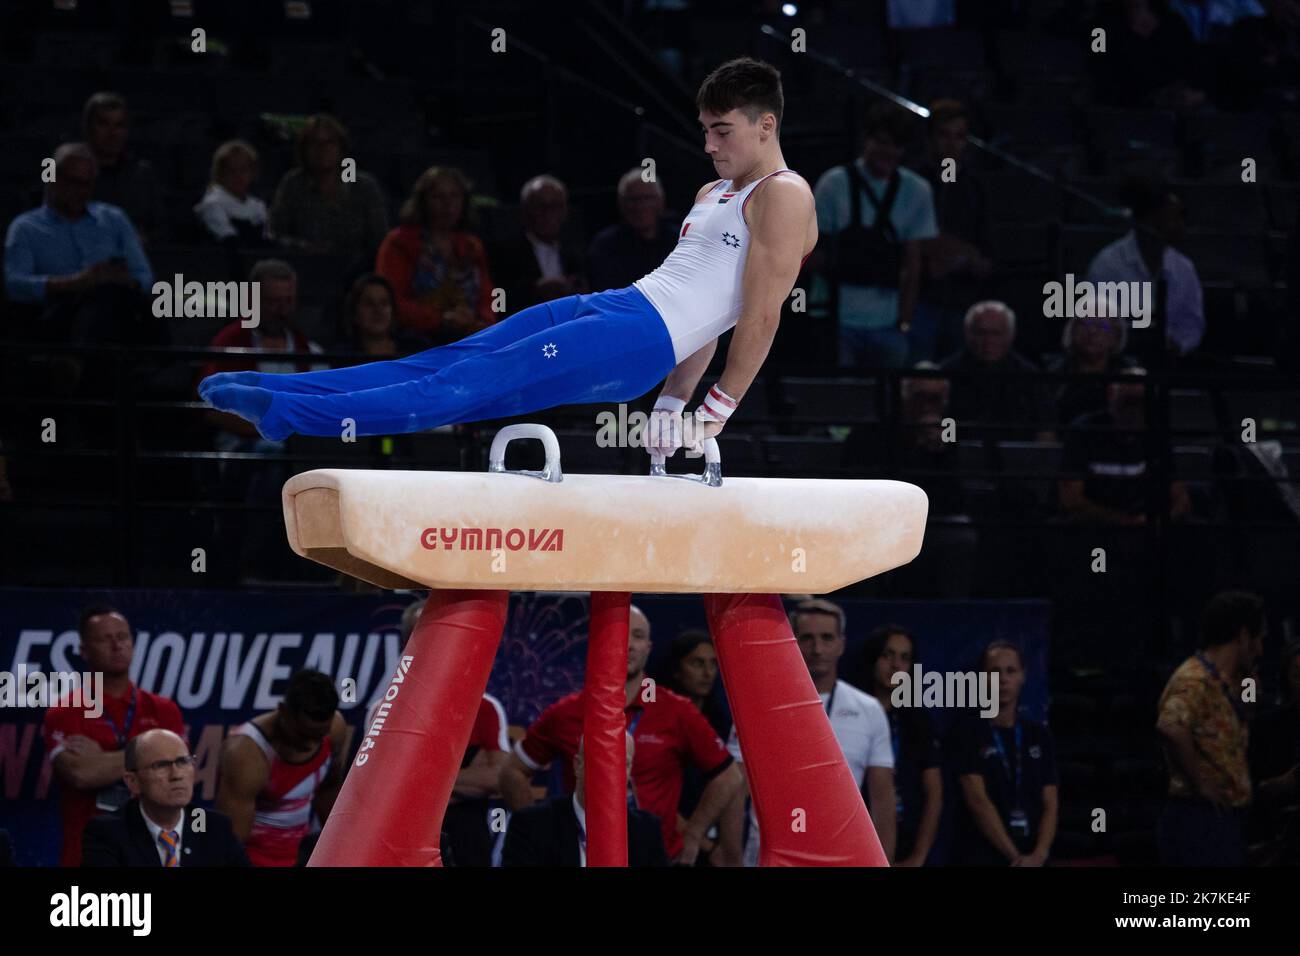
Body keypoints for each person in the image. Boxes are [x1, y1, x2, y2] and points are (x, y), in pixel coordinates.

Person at [197, 57, 817, 457]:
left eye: (722, 131)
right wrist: (670, 403)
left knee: (468, 386)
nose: (707, 144)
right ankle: (272, 389)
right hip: (617, 307)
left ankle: (290, 412)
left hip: (637, 342)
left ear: (766, 125)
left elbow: (757, 316)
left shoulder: (784, 196)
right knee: (446, 360)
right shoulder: (716, 191)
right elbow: (708, 312)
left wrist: (714, 411)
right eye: (704, 129)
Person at [498, 605, 742, 863]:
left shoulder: (675, 710)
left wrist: (694, 835)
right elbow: (511, 772)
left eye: (637, 635)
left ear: (649, 646)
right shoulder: (566, 712)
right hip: (581, 853)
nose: (628, 644)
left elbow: (729, 776)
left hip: (658, 856)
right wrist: (542, 830)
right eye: (621, 634)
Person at [722, 599, 896, 866]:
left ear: (841, 643)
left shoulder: (868, 710)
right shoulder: (756, 707)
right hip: (771, 854)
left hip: (845, 855)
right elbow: (735, 790)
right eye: (807, 638)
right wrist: (731, 857)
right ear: (791, 641)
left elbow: (882, 799)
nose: (817, 649)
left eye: (827, 638)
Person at [362, 597, 512, 867]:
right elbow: (380, 789)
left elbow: (498, 778)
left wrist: (418, 779)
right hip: (402, 835)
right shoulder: (382, 710)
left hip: (466, 836)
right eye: (422, 636)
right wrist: (467, 773)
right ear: (408, 643)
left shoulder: (486, 708)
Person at [42, 604, 186, 867]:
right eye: (104, 639)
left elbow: (175, 781)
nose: (117, 645)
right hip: (87, 855)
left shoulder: (164, 710)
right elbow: (81, 775)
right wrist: (153, 758)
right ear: (84, 651)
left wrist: (103, 759)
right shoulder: (65, 713)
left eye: (122, 637)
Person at [813, 101, 938, 368]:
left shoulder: (917, 190)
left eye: (896, 145)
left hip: (887, 323)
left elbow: (912, 263)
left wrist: (903, 322)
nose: (888, 152)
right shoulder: (833, 184)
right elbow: (812, 251)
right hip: (838, 320)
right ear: (866, 140)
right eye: (881, 142)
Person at [4, 142, 153, 345]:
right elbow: (14, 284)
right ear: (53, 179)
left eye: (87, 183)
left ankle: (76, 363)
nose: (80, 191)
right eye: (72, 182)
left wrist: (124, 280)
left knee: (108, 297)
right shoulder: (26, 227)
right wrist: (71, 283)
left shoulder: (114, 219)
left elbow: (144, 277)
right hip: (54, 320)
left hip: (117, 318)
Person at [1156, 590, 1265, 866]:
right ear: (1243, 636)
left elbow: (1244, 719)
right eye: (1258, 639)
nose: (1261, 649)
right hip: (1198, 819)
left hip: (1225, 817)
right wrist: (1201, 784)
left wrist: (1249, 686)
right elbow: (1170, 726)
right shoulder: (1196, 680)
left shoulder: (1225, 681)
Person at [216, 669, 347, 866]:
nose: (312, 745)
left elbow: (329, 790)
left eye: (318, 737)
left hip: (303, 855)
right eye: (304, 736)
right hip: (254, 860)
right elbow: (232, 844)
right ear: (283, 711)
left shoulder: (335, 729)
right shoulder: (246, 753)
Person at [951, 640, 1059, 866]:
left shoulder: (1039, 736)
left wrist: (1039, 855)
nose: (1003, 679)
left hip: (1034, 856)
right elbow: (977, 799)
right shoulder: (968, 732)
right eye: (994, 671)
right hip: (985, 856)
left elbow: (1050, 802)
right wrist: (1015, 858)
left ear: (1023, 676)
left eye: (1011, 671)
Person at [81, 729, 249, 867]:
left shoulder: (213, 825)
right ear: (133, 782)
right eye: (161, 766)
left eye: (183, 762)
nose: (176, 775)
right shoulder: (109, 832)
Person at [502, 733, 669, 866]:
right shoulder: (532, 824)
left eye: (623, 763)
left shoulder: (646, 829)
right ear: (577, 765)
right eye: (602, 760)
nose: (612, 772)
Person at [1085, 175, 1204, 359]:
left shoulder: (1184, 268)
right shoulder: (1107, 264)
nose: (1180, 226)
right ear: (1148, 221)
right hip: (1118, 364)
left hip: (1172, 366)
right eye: (1171, 219)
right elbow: (1099, 325)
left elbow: (1192, 324)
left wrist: (1179, 345)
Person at [910, 99, 993, 364]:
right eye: (944, 135)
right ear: (931, 138)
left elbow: (987, 253)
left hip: (961, 303)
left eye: (959, 136)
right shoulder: (912, 182)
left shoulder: (976, 188)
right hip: (918, 303)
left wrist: (966, 258)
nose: (951, 144)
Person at [374, 165, 498, 341]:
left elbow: (488, 297)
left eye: (455, 196)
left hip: (470, 336)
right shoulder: (399, 242)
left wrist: (483, 322)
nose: (448, 204)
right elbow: (392, 301)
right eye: (438, 196)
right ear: (422, 201)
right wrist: (441, 320)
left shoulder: (472, 245)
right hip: (414, 340)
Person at [1058, 367, 1193, 525]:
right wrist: (1124, 521)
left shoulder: (1155, 434)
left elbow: (1180, 498)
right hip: (1095, 528)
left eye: (1142, 404)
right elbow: (1071, 501)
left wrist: (1156, 522)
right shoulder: (1084, 432)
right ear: (1110, 394)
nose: (1134, 413)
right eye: (1127, 402)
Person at [858, 624, 943, 866]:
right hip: (858, 844)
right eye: (888, 655)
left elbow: (934, 793)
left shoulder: (918, 721)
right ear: (873, 658)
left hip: (909, 849)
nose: (896, 665)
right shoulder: (852, 713)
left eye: (904, 658)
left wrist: (918, 856)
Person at [269, 114, 389, 262]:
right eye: (314, 143)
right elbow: (275, 234)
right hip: (304, 265)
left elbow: (380, 239)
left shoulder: (363, 185)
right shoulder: (292, 183)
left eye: (330, 142)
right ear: (304, 149)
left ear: (341, 148)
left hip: (355, 268)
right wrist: (303, 246)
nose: (322, 149)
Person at [938, 300, 1054, 443]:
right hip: (957, 458)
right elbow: (936, 426)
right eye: (981, 333)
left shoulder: (1030, 377)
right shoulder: (945, 373)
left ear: (1011, 335)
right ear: (968, 333)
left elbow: (1046, 431)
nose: (988, 341)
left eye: (996, 333)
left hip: (1016, 460)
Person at [489, 174, 588, 311]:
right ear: (525, 210)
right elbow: (498, 303)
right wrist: (534, 290)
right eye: (540, 206)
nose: (548, 213)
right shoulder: (503, 253)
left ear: (565, 211)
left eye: (555, 206)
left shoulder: (577, 252)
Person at [82, 92, 166, 245]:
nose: (112, 134)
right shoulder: (68, 173)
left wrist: (144, 239)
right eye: (103, 124)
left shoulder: (142, 173)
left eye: (119, 125)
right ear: (88, 127)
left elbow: (160, 227)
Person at [1248, 640, 1300, 864]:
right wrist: (1278, 785)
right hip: (1280, 833)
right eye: (1299, 675)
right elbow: (1247, 791)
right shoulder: (1266, 728)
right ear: (1287, 681)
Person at [586, 168, 678, 293]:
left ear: (661, 202)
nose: (640, 206)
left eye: (648, 198)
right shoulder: (605, 245)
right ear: (621, 204)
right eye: (633, 199)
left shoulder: (678, 240)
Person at [1045, 310, 1138, 430]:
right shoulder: (1053, 374)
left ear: (1116, 336)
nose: (1092, 331)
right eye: (1086, 324)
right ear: (1072, 331)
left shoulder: (1128, 376)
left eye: (1103, 326)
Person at [193, 140, 271, 246]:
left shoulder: (258, 206)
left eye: (243, 170)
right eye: (231, 170)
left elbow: (267, 239)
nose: (238, 176)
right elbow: (228, 240)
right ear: (219, 173)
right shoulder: (212, 204)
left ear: (252, 173)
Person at [334, 273, 431, 357]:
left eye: (384, 303)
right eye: (369, 303)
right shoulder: (340, 356)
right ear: (354, 313)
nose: (378, 310)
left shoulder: (416, 349)